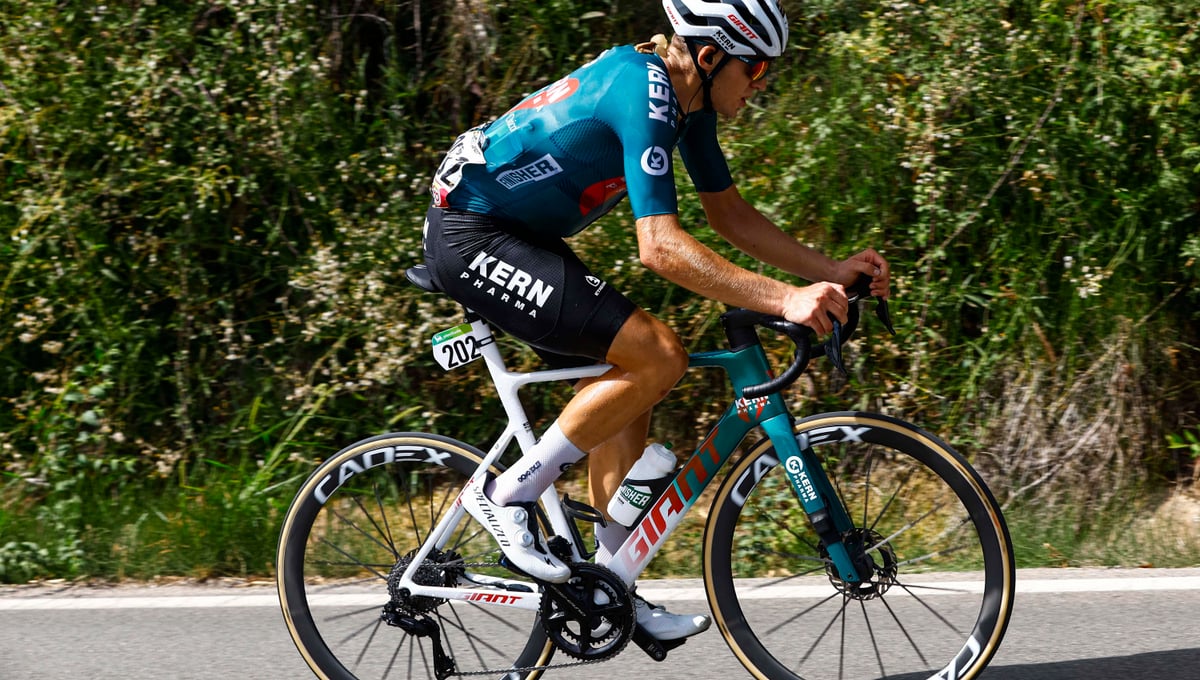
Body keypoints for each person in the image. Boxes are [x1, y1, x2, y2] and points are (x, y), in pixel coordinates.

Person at [421, 0, 890, 642]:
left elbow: (729, 216)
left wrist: (829, 270)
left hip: (520, 234)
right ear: (709, 55)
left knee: (632, 380)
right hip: (471, 233)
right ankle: (507, 495)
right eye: (754, 70)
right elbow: (659, 246)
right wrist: (785, 299)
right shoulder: (645, 92)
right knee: (658, 353)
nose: (760, 84)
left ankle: (609, 585)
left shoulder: (687, 106)